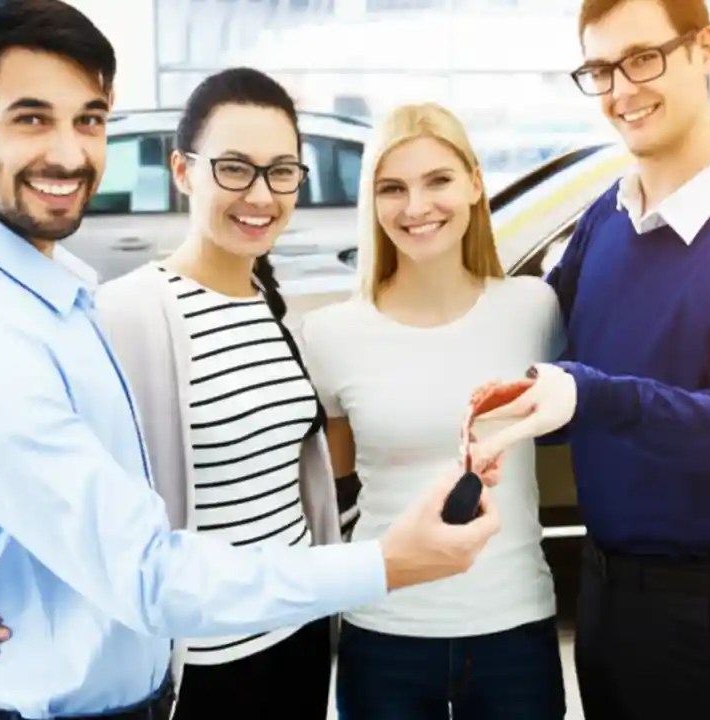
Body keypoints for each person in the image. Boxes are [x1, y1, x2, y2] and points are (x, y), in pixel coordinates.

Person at [0, 3, 500, 719]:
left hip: (294, 636)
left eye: (88, 119)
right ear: (183, 171)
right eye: (30, 118)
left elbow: (47, 489)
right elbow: (126, 553)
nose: (260, 194)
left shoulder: (269, 304)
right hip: (200, 658)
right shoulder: (92, 316)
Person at [469, 1, 710, 718]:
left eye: (643, 59)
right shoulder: (608, 217)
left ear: (707, 50)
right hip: (605, 590)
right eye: (600, 70)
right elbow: (564, 378)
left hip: (704, 611)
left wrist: (594, 398)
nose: (622, 89)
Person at [298, 102, 567, 719]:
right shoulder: (331, 335)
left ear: (475, 182)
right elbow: (339, 491)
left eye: (438, 180)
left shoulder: (534, 310)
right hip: (385, 632)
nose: (416, 207)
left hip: (514, 628)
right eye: (392, 188)